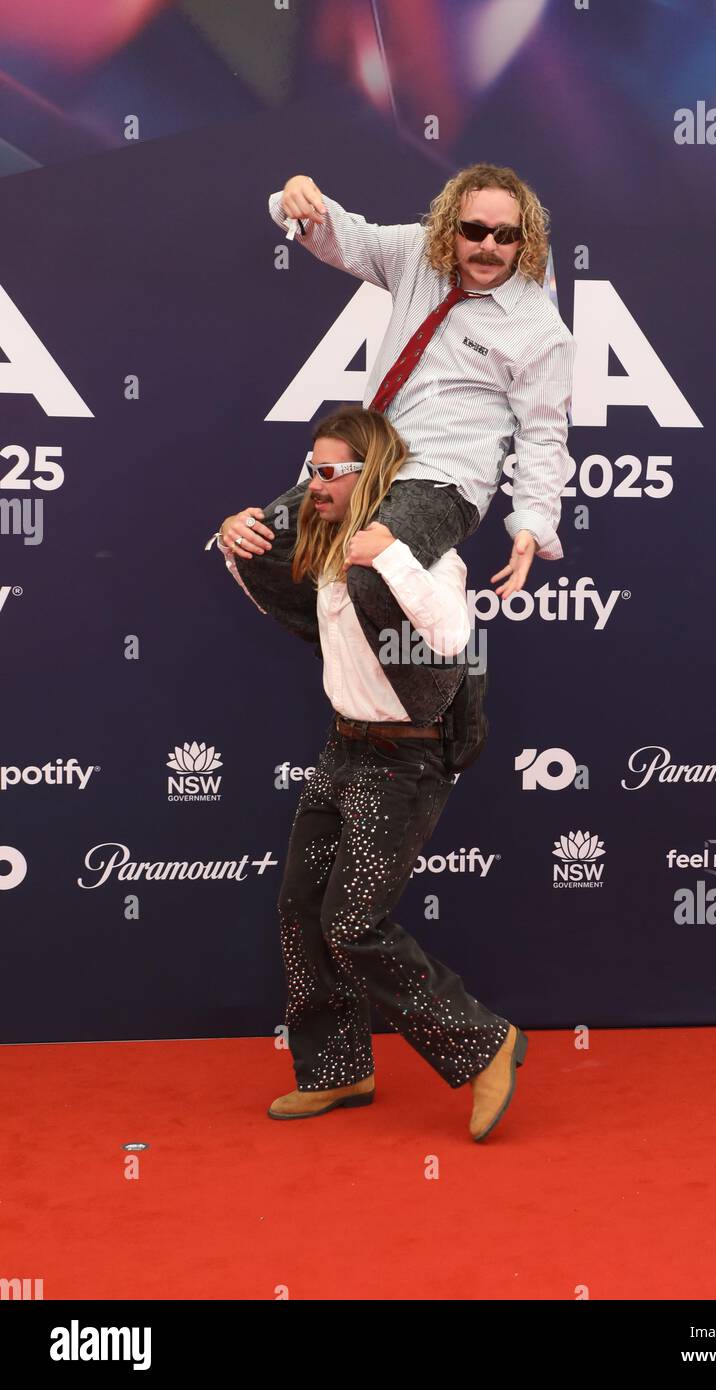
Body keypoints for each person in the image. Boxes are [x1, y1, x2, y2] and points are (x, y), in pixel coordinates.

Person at [207, 405, 528, 1142]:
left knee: (352, 925)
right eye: (310, 469)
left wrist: (389, 556)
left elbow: (452, 637)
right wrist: (235, 543)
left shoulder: (420, 549)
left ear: (370, 472)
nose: (313, 484)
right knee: (301, 909)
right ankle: (335, 1069)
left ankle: (485, 1043)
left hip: (404, 760)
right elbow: (279, 593)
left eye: (328, 472)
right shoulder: (327, 544)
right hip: (342, 747)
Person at [266, 162, 576, 726]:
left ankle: (450, 693)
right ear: (448, 227)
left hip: (443, 481)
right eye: (473, 230)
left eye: (505, 235)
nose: (488, 246)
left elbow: (543, 434)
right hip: (367, 463)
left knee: (370, 569)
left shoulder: (541, 331)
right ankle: (360, 647)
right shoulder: (416, 256)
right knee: (262, 547)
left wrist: (532, 521)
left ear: (525, 240)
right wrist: (297, 199)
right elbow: (343, 237)